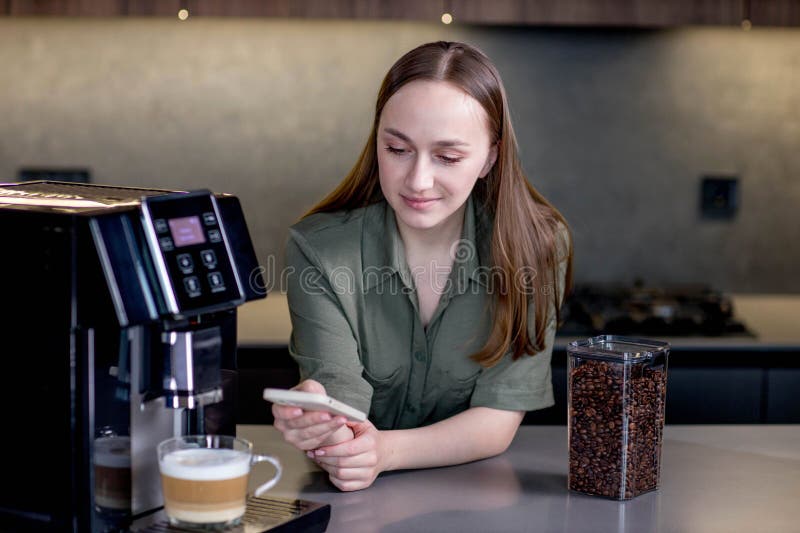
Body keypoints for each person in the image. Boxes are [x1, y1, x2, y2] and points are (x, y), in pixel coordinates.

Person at [272, 41, 573, 491]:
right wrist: (320, 418)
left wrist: (385, 452)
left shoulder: (538, 247)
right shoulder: (317, 250)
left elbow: (496, 419)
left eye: (448, 157)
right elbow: (338, 396)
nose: (418, 181)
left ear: (490, 156)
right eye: (397, 149)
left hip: (478, 502)